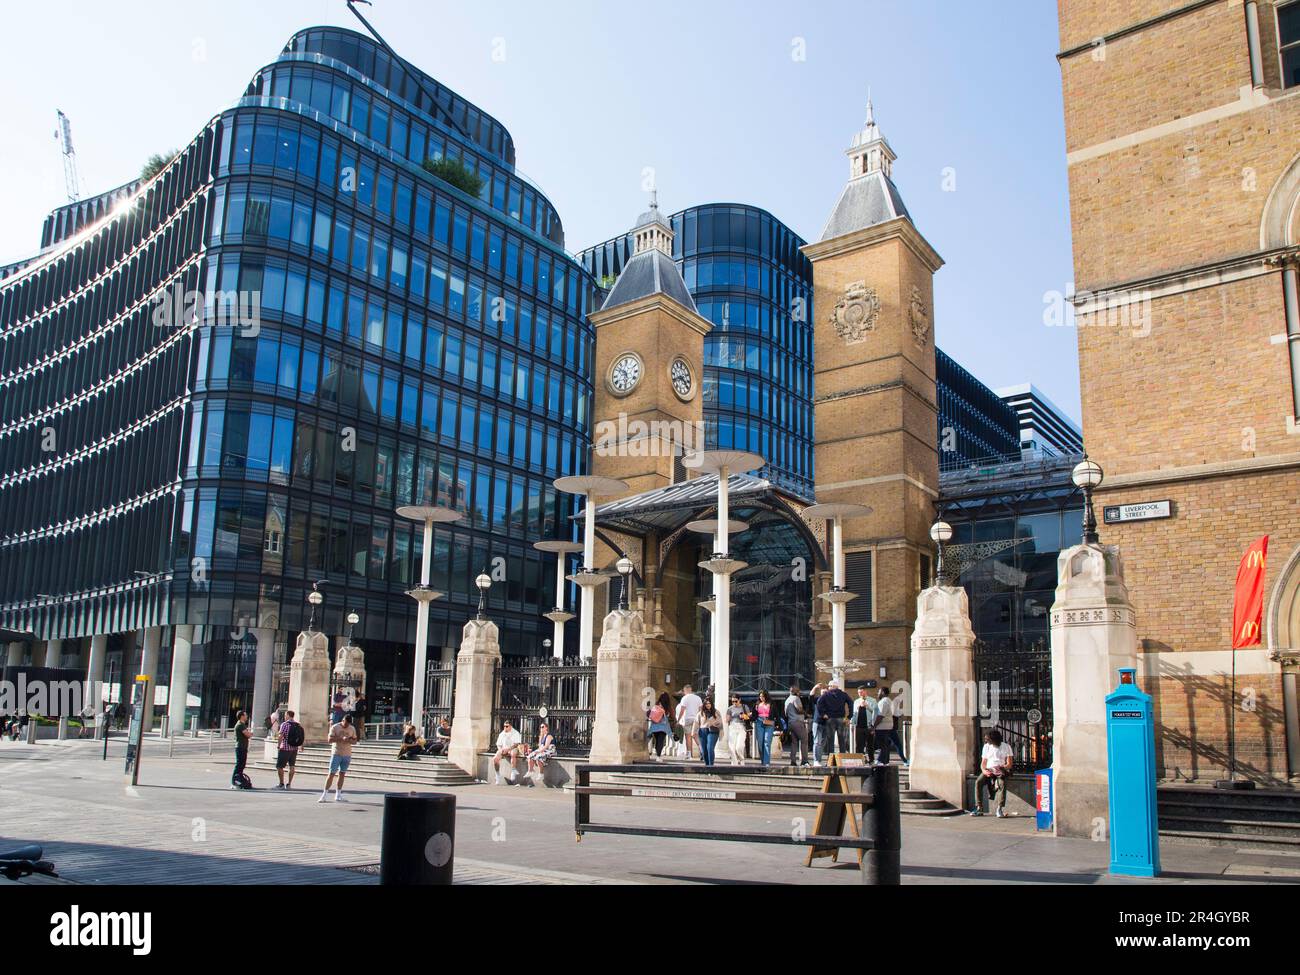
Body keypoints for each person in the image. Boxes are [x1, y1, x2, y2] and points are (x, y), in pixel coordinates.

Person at [971, 729, 1015, 817]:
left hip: (1000, 769)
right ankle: (979, 807)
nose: (986, 741)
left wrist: (1001, 768)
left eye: (988, 739)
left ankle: (999, 808)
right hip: (989, 769)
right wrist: (984, 771)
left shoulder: (1006, 747)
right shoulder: (986, 747)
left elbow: (1009, 764)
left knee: (1002, 784)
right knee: (978, 782)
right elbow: (983, 763)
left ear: (993, 739)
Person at [318, 713, 357, 802]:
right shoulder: (335, 727)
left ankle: (338, 794)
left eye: (348, 724)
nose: (347, 726)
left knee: (342, 773)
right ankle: (324, 794)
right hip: (336, 753)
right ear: (343, 720)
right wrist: (341, 738)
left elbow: (355, 740)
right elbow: (329, 740)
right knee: (331, 773)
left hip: (347, 754)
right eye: (345, 724)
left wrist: (349, 740)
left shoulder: (352, 728)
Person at [816, 680, 853, 757]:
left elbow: (819, 703)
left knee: (830, 740)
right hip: (841, 719)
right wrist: (849, 716)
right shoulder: (843, 694)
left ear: (832, 686)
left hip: (830, 719)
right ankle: (842, 758)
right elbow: (851, 703)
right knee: (842, 740)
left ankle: (831, 759)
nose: (828, 687)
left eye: (829, 686)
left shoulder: (826, 694)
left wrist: (823, 714)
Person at [275, 709, 303, 789]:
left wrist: (278, 745)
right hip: (294, 748)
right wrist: (301, 745)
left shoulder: (285, 724)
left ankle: (281, 783)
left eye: (285, 715)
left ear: (288, 715)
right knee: (292, 766)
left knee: (280, 766)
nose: (284, 716)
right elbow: (301, 736)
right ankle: (289, 784)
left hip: (285, 748)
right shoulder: (298, 724)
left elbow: (280, 736)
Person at [784, 686, 810, 766]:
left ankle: (793, 761)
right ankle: (804, 761)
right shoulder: (795, 698)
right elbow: (799, 709)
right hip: (798, 722)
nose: (799, 693)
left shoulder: (787, 700)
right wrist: (806, 714)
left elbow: (785, 713)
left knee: (794, 742)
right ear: (795, 692)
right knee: (804, 740)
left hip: (791, 723)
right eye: (798, 691)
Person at [873, 686, 899, 766]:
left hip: (882, 727)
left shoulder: (883, 702)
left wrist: (874, 726)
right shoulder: (890, 701)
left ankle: (880, 760)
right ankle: (886, 761)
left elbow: (880, 715)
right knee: (886, 744)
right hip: (888, 726)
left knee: (882, 744)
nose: (878, 693)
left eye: (879, 691)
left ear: (883, 693)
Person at [491, 720, 523, 784]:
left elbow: (516, 744)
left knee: (513, 753)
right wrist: (500, 749)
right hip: (503, 749)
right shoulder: (502, 734)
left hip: (512, 748)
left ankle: (513, 771)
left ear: (510, 726)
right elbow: (498, 744)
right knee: (495, 759)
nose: (505, 727)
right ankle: (497, 774)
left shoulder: (515, 733)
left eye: (507, 726)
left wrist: (508, 749)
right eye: (504, 726)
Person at [676, 685, 702, 760]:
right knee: (696, 736)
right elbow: (700, 710)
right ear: (691, 690)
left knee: (688, 737)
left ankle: (689, 755)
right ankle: (702, 751)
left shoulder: (685, 698)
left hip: (687, 719)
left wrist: (678, 720)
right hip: (696, 719)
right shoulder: (698, 698)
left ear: (685, 690)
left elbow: (682, 710)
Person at [752, 690, 778, 765]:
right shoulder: (757, 704)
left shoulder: (771, 703)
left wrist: (779, 724)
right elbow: (754, 714)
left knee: (767, 742)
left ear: (766, 696)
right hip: (759, 722)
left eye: (763, 696)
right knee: (760, 742)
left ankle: (766, 763)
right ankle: (763, 761)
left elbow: (776, 714)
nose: (761, 698)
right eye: (760, 696)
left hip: (769, 723)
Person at [230, 710, 253, 790]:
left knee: (241, 765)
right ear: (242, 716)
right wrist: (250, 733)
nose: (247, 716)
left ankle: (238, 779)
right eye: (245, 715)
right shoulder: (240, 725)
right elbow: (248, 734)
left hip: (242, 747)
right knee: (239, 765)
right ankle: (234, 781)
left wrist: (249, 733)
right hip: (240, 747)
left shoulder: (242, 724)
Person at [725, 694, 750, 766]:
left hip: (741, 727)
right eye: (732, 701)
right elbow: (727, 719)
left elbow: (749, 717)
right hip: (732, 727)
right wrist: (727, 719)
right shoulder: (730, 708)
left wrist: (744, 716)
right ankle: (734, 763)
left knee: (739, 746)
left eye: (736, 701)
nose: (734, 703)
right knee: (732, 748)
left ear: (739, 700)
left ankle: (741, 760)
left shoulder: (745, 707)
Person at [647, 692, 673, 761]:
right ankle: (658, 756)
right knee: (660, 741)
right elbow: (671, 715)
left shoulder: (656, 705)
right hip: (663, 727)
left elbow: (650, 713)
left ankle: (656, 754)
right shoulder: (667, 707)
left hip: (654, 726)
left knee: (657, 741)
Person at [697, 698, 722, 766]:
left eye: (709, 703)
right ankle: (707, 766)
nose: (708, 705)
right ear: (704, 704)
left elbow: (720, 723)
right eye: (706, 703)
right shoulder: (700, 713)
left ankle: (711, 766)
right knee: (704, 751)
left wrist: (714, 723)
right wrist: (693, 732)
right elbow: (696, 722)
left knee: (710, 748)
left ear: (712, 704)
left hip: (713, 731)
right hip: (702, 731)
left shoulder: (716, 712)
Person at [852, 687, 877, 756]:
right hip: (859, 726)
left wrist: (867, 706)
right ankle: (860, 759)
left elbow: (875, 712)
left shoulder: (872, 700)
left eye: (861, 692)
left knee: (870, 745)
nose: (860, 694)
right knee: (859, 745)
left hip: (868, 726)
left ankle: (871, 760)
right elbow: (854, 713)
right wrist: (852, 723)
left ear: (865, 691)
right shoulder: (856, 701)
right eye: (859, 693)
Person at [808, 683, 825, 763]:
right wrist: (815, 687)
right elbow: (811, 696)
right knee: (817, 742)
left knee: (822, 743)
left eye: (825, 693)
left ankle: (819, 760)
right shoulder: (818, 699)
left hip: (826, 724)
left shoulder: (830, 701)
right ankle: (816, 760)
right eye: (822, 692)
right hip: (817, 722)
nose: (824, 694)